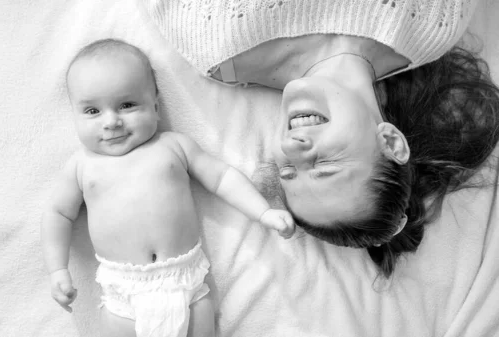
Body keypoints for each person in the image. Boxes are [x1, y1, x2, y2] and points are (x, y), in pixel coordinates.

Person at [147, 0, 499, 276]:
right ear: (391, 141)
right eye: (324, 164)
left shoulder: (205, 36)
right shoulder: (435, 26)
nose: (290, 147)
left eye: (287, 172)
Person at [41, 39, 295, 337]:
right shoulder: (82, 165)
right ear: (74, 115)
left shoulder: (173, 146)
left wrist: (264, 212)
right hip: (124, 290)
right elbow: (58, 213)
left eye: (127, 105)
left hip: (185, 282)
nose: (111, 121)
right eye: (92, 111)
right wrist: (57, 269)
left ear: (156, 106)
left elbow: (222, 177)